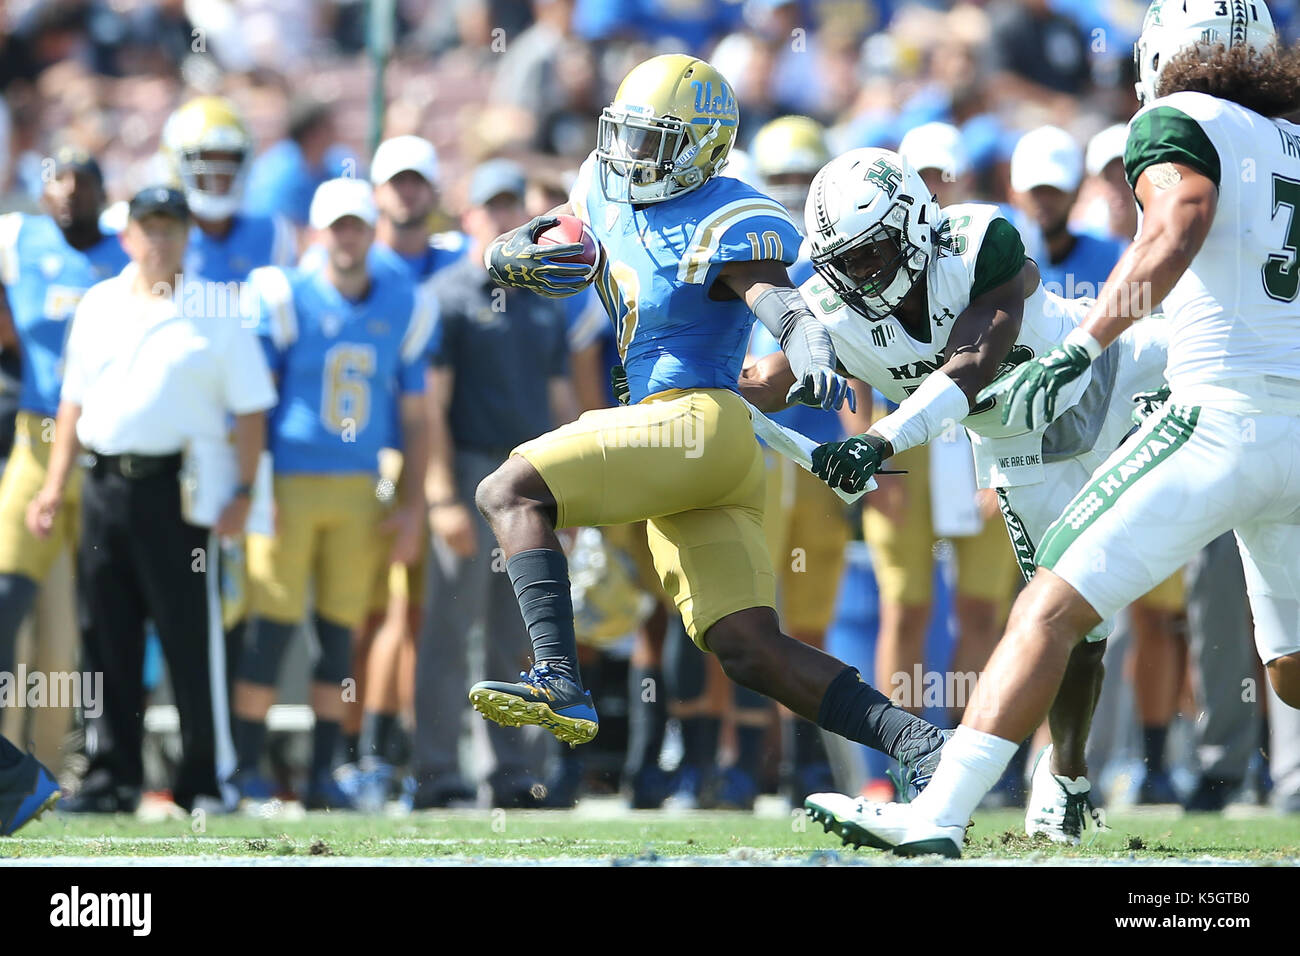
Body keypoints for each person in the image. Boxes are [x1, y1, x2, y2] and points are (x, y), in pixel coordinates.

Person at [809, 0, 1300, 857]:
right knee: (1290, 671)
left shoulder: (1180, 121)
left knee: (1050, 602)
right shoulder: (1291, 139)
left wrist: (1081, 345)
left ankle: (938, 815)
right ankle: (1046, 786)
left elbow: (1179, 218)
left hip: (1222, 414)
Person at [470, 54, 952, 792]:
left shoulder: (726, 212)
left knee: (510, 490)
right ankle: (922, 744)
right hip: (698, 459)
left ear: (701, 147)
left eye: (652, 141)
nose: (630, 157)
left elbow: (775, 299)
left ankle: (558, 676)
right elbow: (537, 236)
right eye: (625, 136)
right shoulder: (602, 187)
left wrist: (809, 342)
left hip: (694, 422)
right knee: (749, 646)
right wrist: (510, 257)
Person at [743, 145, 1167, 842]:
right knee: (1073, 621)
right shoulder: (833, 307)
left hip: (1110, 380)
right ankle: (1067, 776)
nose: (857, 275)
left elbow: (969, 366)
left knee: (1252, 396)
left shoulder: (978, 244)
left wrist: (877, 444)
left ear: (913, 226)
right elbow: (769, 378)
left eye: (871, 254)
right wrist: (696, 388)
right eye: (841, 261)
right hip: (1022, 449)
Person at [29, 186, 275, 813]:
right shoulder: (100, 303)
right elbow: (73, 401)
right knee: (105, 635)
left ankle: (205, 779)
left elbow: (250, 411)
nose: (159, 239)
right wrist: (55, 486)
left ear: (188, 236)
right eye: (149, 227)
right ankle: (113, 776)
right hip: (105, 485)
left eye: (171, 227)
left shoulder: (216, 309)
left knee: (192, 637)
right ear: (128, 234)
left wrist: (243, 492)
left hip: (181, 491)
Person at [231, 178, 433, 809]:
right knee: (272, 629)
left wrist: (413, 506)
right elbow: (253, 401)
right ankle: (243, 771)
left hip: (360, 486)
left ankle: (324, 773)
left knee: (339, 633)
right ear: (318, 233)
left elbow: (419, 413)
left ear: (371, 231)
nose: (347, 236)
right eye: (336, 225)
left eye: (357, 225)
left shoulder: (403, 299)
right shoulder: (284, 294)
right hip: (288, 483)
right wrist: (248, 486)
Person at [413, 159, 574, 809]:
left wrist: (577, 490)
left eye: (513, 206)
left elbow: (563, 401)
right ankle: (436, 772)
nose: (503, 217)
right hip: (471, 472)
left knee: (521, 635)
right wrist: (441, 495)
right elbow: (429, 409)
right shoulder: (448, 296)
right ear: (470, 216)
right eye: (492, 207)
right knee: (449, 632)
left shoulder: (544, 299)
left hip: (531, 483)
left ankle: (514, 774)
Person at [0, 147, 127, 718]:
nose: (71, 189)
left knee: (104, 609)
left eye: (84, 179)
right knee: (6, 595)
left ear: (106, 192)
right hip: (37, 438)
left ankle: (102, 762)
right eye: (60, 179)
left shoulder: (131, 251)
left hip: (107, 445)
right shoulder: (19, 240)